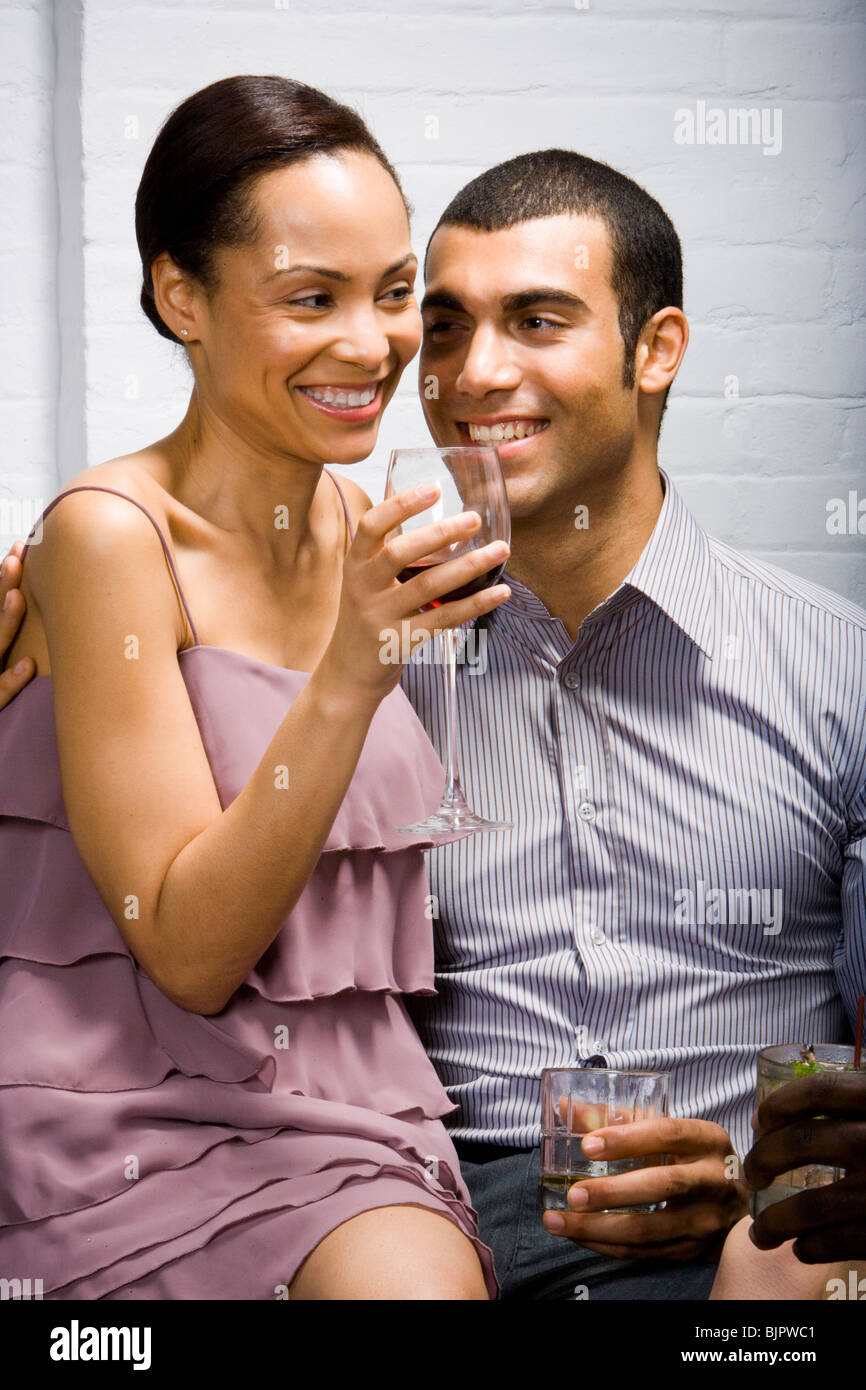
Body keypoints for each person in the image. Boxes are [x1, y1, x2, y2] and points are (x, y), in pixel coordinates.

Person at [0, 75, 510, 1301]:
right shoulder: (112, 537)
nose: (371, 342)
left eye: (393, 293)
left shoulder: (366, 523)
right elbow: (186, 951)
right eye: (309, 298)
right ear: (183, 294)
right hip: (128, 1117)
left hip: (355, 1109)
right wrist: (348, 673)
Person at [400, 149, 865, 1299]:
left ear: (654, 349)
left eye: (536, 321)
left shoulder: (834, 668)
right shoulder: (370, 674)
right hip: (435, 1229)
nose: (473, 374)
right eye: (446, 328)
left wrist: (768, 1183)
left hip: (748, 1233)